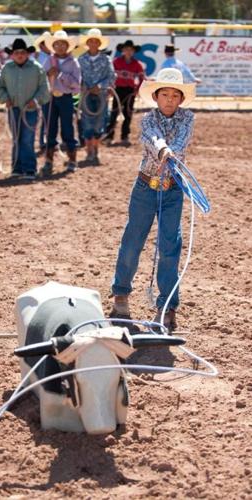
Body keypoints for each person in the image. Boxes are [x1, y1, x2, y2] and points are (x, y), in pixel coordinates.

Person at [110, 68, 196, 331]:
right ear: (156, 96)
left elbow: (182, 141)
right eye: (164, 94)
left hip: (172, 190)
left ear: (180, 99)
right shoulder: (147, 119)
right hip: (145, 187)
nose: (169, 99)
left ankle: (167, 305)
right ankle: (121, 294)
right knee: (133, 240)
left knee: (170, 245)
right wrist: (163, 151)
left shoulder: (188, 118)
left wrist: (170, 151)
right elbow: (152, 138)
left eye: (174, 95)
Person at [0, 38, 50, 180]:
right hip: (14, 108)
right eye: (17, 52)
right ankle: (17, 168)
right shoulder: (7, 68)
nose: (20, 55)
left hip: (30, 109)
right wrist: (5, 98)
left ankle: (29, 169)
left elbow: (44, 87)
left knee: (27, 138)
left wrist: (36, 100)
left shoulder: (37, 68)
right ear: (12, 54)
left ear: (27, 54)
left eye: (23, 52)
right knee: (16, 138)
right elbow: (0, 86)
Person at [41, 30, 81, 176]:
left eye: (62, 44)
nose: (60, 47)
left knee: (67, 128)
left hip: (65, 98)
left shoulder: (74, 63)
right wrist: (47, 74)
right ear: (54, 46)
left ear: (67, 46)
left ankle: (72, 160)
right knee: (49, 128)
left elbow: (77, 85)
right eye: (57, 44)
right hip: (50, 98)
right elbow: (41, 79)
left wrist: (61, 75)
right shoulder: (48, 61)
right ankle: (49, 161)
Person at [78, 28, 115, 165]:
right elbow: (78, 77)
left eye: (96, 41)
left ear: (99, 43)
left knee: (100, 122)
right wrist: (84, 87)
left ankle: (95, 149)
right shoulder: (81, 59)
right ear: (87, 43)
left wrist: (99, 86)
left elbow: (111, 76)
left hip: (101, 95)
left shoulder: (106, 59)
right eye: (91, 41)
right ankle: (89, 151)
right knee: (87, 123)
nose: (93, 43)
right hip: (86, 95)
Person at [105, 40, 144, 147]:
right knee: (114, 113)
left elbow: (141, 78)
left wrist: (137, 89)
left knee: (128, 113)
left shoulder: (137, 64)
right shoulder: (116, 62)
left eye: (130, 50)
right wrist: (110, 87)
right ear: (122, 50)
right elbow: (110, 75)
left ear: (133, 51)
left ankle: (124, 136)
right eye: (126, 49)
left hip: (130, 91)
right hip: (118, 90)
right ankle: (109, 135)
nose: (128, 52)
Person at [34, 31, 52, 152]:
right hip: (43, 90)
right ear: (41, 45)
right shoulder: (40, 58)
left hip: (49, 90)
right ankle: (43, 140)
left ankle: (46, 139)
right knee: (45, 116)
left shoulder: (42, 57)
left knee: (48, 116)